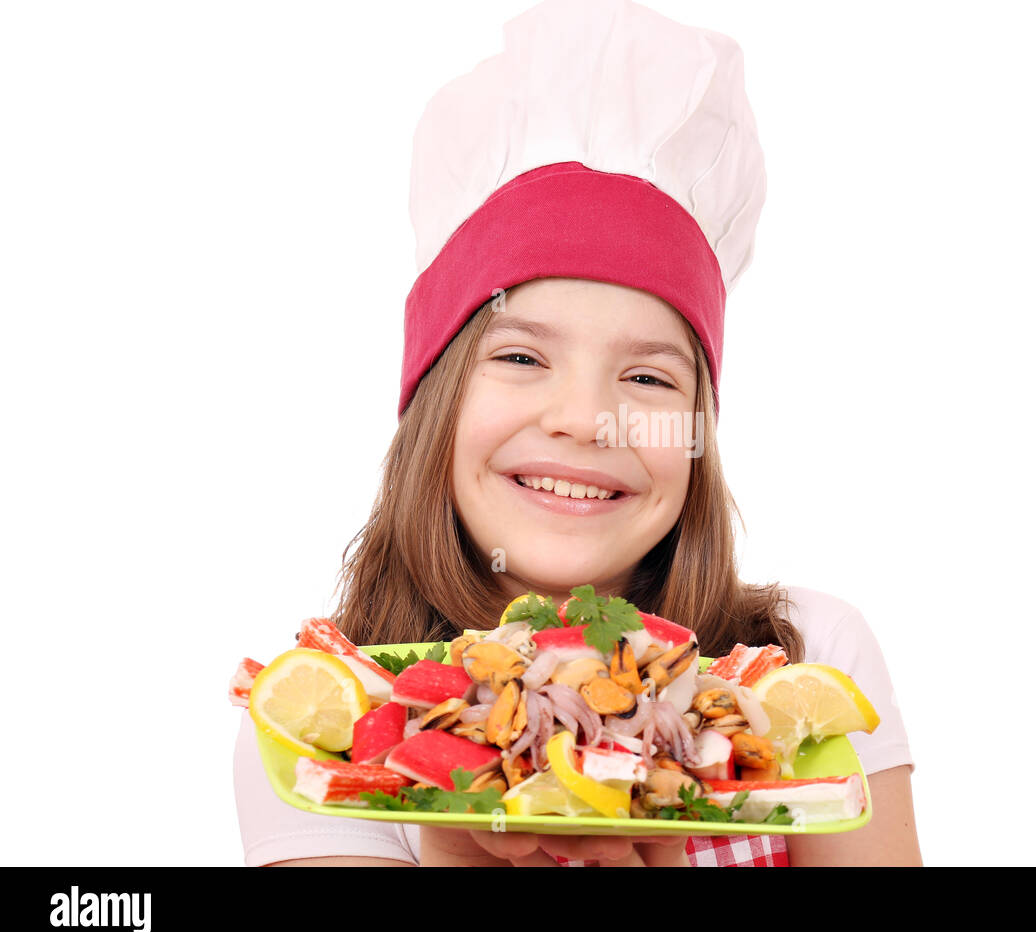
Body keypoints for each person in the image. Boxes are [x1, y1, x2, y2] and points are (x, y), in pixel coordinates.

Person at [234, 0, 920, 867]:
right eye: (521, 357)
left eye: (646, 378)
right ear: (433, 402)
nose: (584, 418)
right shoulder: (323, 719)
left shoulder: (808, 668)